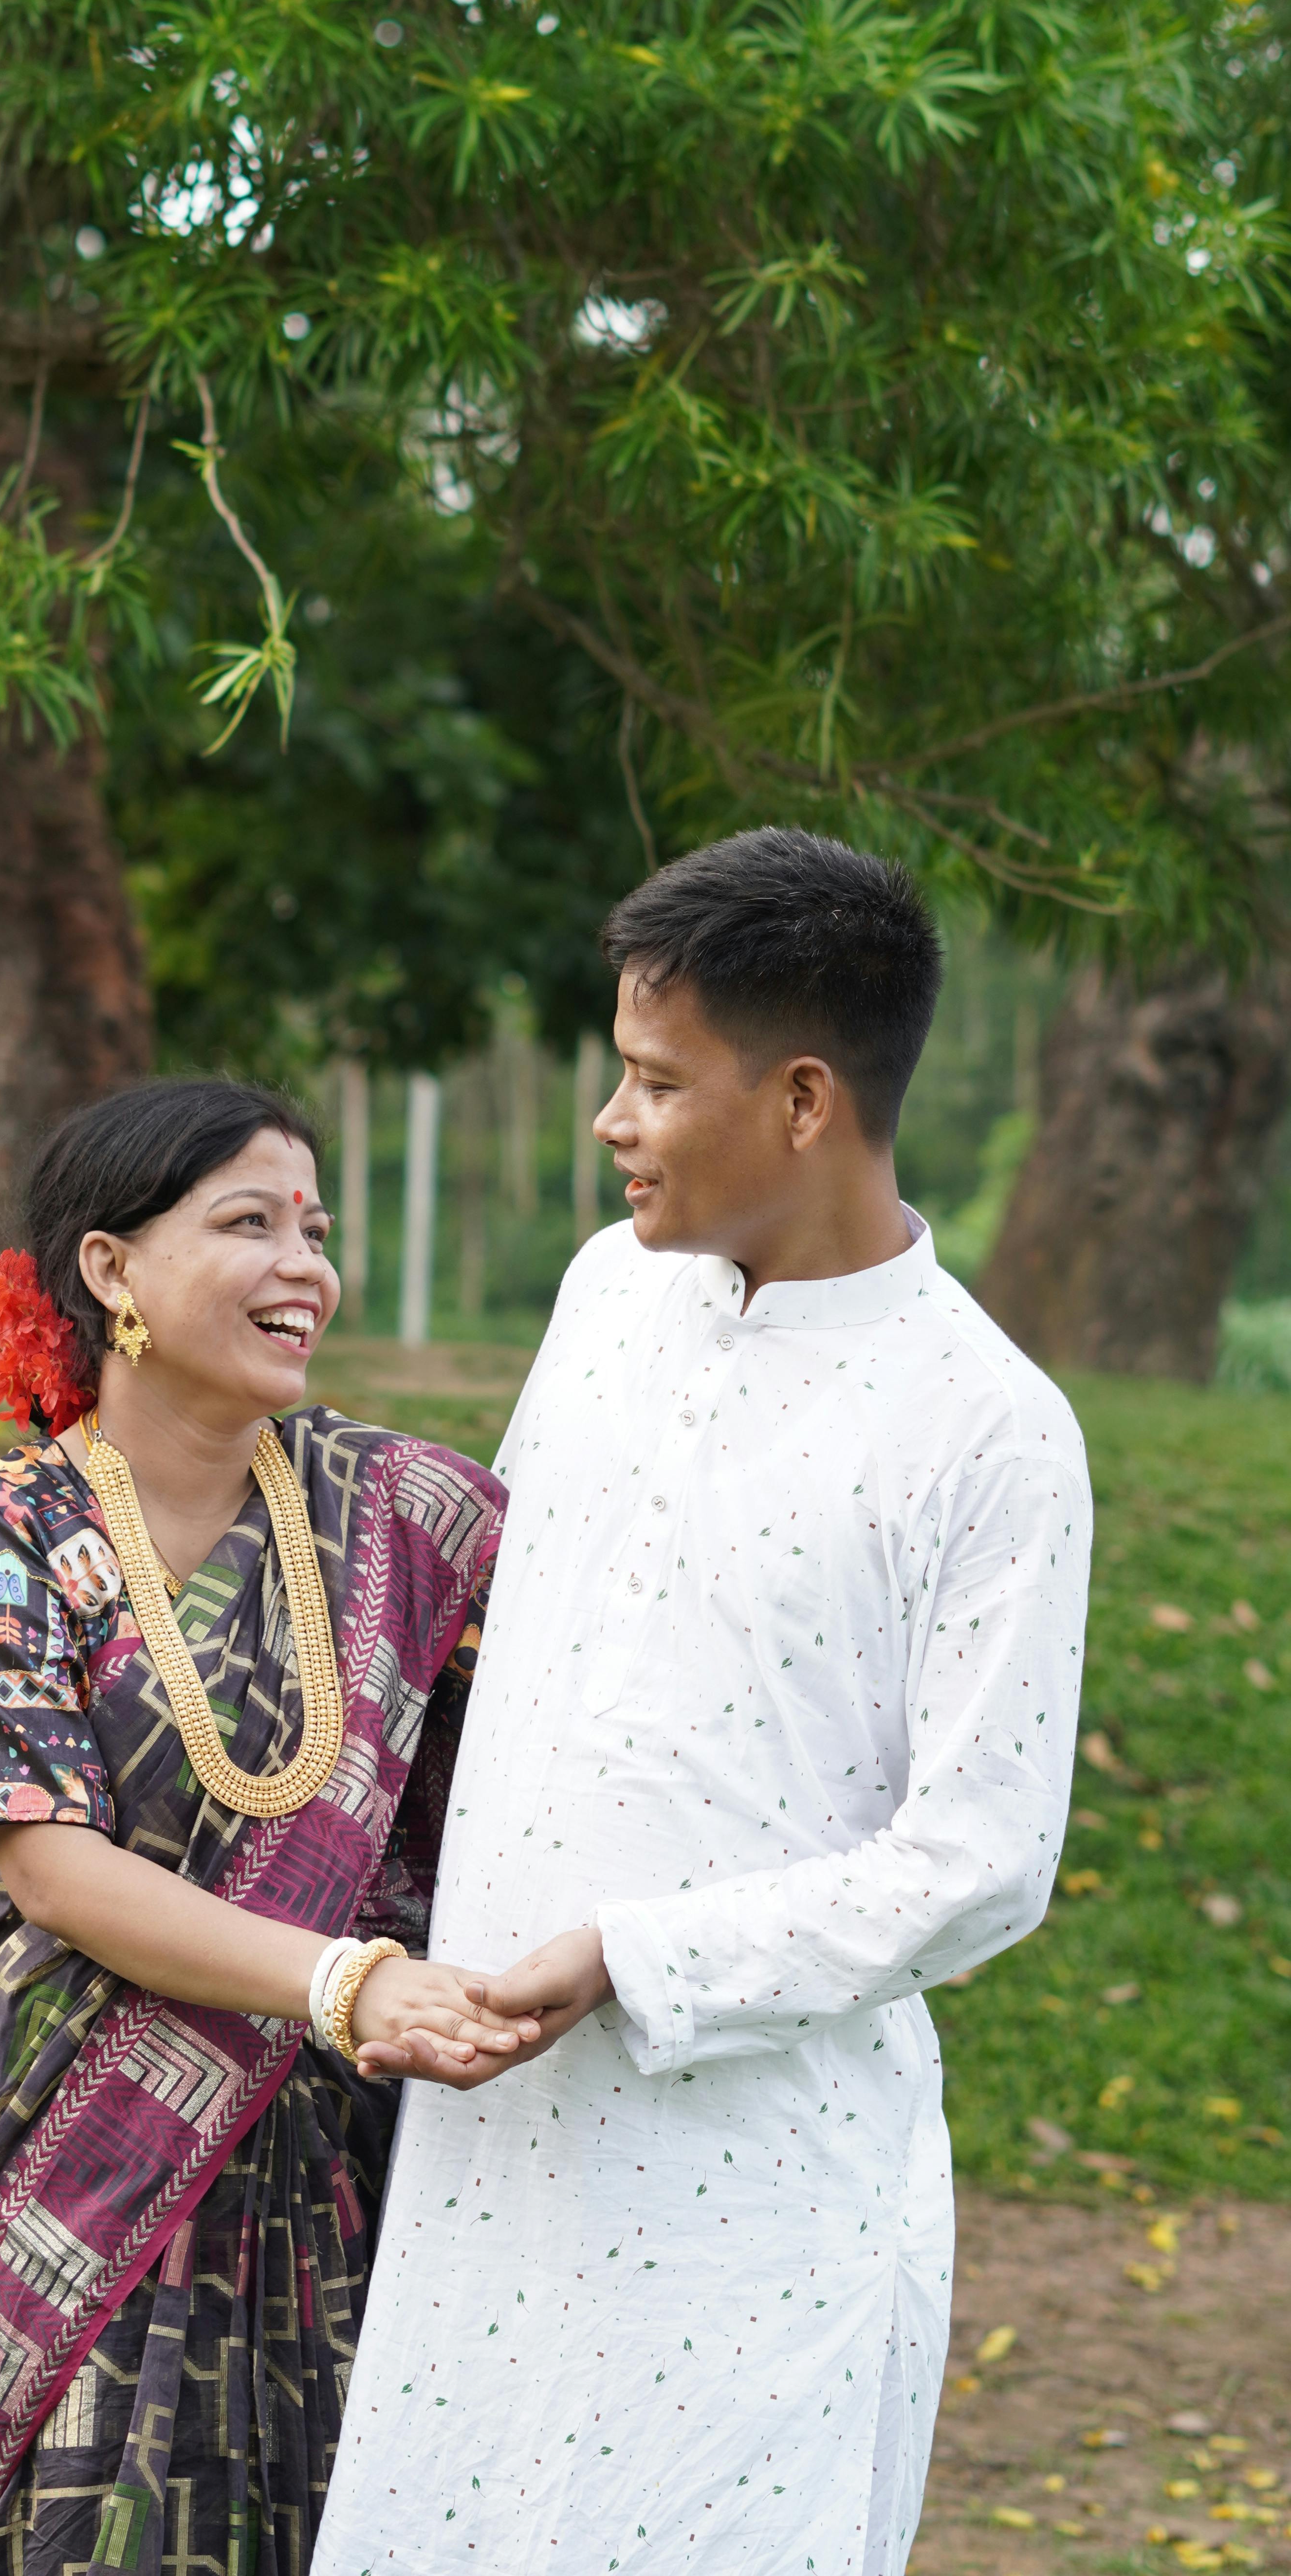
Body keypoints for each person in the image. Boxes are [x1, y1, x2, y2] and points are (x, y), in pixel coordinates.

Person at [316, 828, 1092, 2576]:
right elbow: (492, 1648)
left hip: (755, 2190)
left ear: (806, 1101)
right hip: (492, 2141)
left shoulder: (992, 1428)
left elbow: (981, 1858)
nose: (613, 1120)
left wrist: (634, 1958)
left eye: (657, 1083)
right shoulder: (605, 1299)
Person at [0, 1078, 533, 2576]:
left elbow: (579, 1737)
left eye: (313, 1227)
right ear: (110, 1271)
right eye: (248, 1223)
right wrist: (341, 1981)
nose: (305, 1266)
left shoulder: (414, 1514)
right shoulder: (7, 1534)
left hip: (348, 2136)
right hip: (80, 2125)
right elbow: (51, 1870)